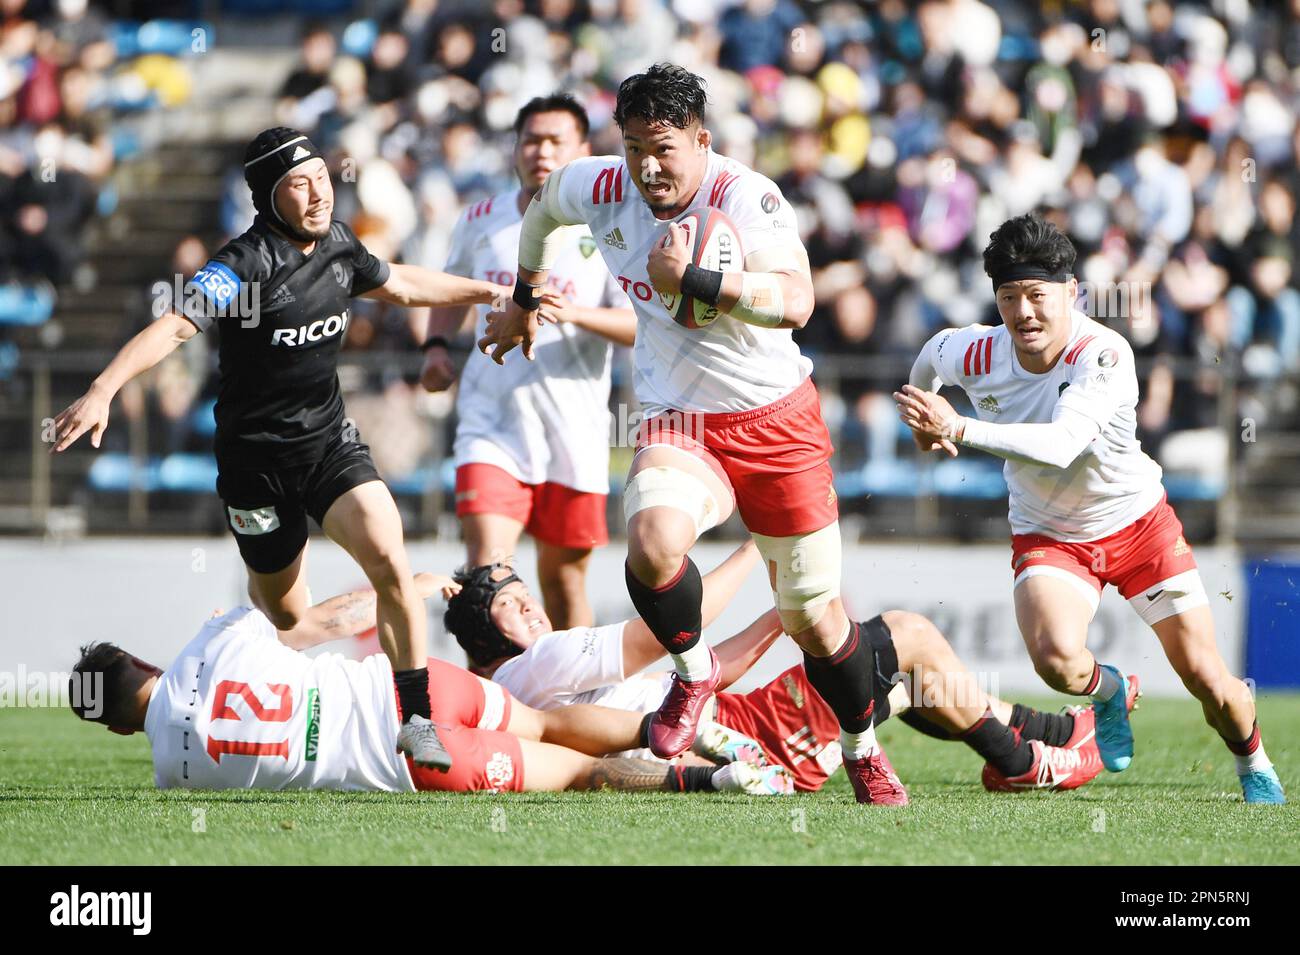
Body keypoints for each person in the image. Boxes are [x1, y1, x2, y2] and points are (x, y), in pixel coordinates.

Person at [477, 64, 895, 804]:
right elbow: (542, 210)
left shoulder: (747, 197)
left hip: (776, 420)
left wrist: (701, 280)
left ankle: (862, 747)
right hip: (680, 417)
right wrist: (523, 296)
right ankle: (694, 674)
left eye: (664, 148)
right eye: (634, 146)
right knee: (653, 539)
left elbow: (797, 301)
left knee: (814, 618)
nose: (647, 166)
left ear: (703, 141)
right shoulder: (599, 185)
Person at [51, 127, 509, 771]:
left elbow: (400, 284)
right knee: (288, 622)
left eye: (322, 175)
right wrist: (103, 388)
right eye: (300, 183)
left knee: (387, 548)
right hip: (254, 469)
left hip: (328, 446)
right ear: (270, 197)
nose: (319, 191)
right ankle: (299, 686)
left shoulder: (342, 247)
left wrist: (489, 291)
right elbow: (175, 326)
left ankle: (415, 717)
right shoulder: (243, 264)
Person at [894, 213, 1285, 804]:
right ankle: (1109, 693)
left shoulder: (1102, 353)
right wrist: (925, 423)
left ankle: (1252, 760)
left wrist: (958, 426)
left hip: (1137, 526)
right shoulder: (971, 350)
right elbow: (927, 360)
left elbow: (1060, 445)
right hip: (1049, 533)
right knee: (1055, 662)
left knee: (1210, 682)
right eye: (1008, 297)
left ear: (1072, 293)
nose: (1023, 312)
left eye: (1036, 295)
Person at [444, 543, 1129, 800]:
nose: (528, 603)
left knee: (897, 675)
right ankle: (1021, 760)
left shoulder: (519, 686)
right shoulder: (539, 661)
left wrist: (786, 608)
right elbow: (667, 624)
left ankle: (1046, 731)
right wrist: (765, 541)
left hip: (727, 723)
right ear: (483, 632)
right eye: (508, 602)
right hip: (749, 739)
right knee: (910, 637)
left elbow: (707, 672)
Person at [67, 573, 791, 797]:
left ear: (117, 726)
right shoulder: (216, 635)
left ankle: (710, 784)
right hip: (412, 689)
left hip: (411, 759)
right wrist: (402, 586)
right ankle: (672, 728)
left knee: (578, 775)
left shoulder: (173, 775)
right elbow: (318, 621)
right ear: (146, 662)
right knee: (542, 722)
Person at [420, 94, 635, 628]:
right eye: (531, 139)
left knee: (563, 586)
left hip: (574, 433)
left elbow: (639, 326)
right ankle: (483, 710)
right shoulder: (480, 219)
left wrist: (576, 314)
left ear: (583, 151)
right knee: (486, 583)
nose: (541, 151)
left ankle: (572, 707)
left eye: (555, 141)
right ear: (515, 148)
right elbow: (448, 295)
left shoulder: (607, 230)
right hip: (492, 427)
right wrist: (437, 350)